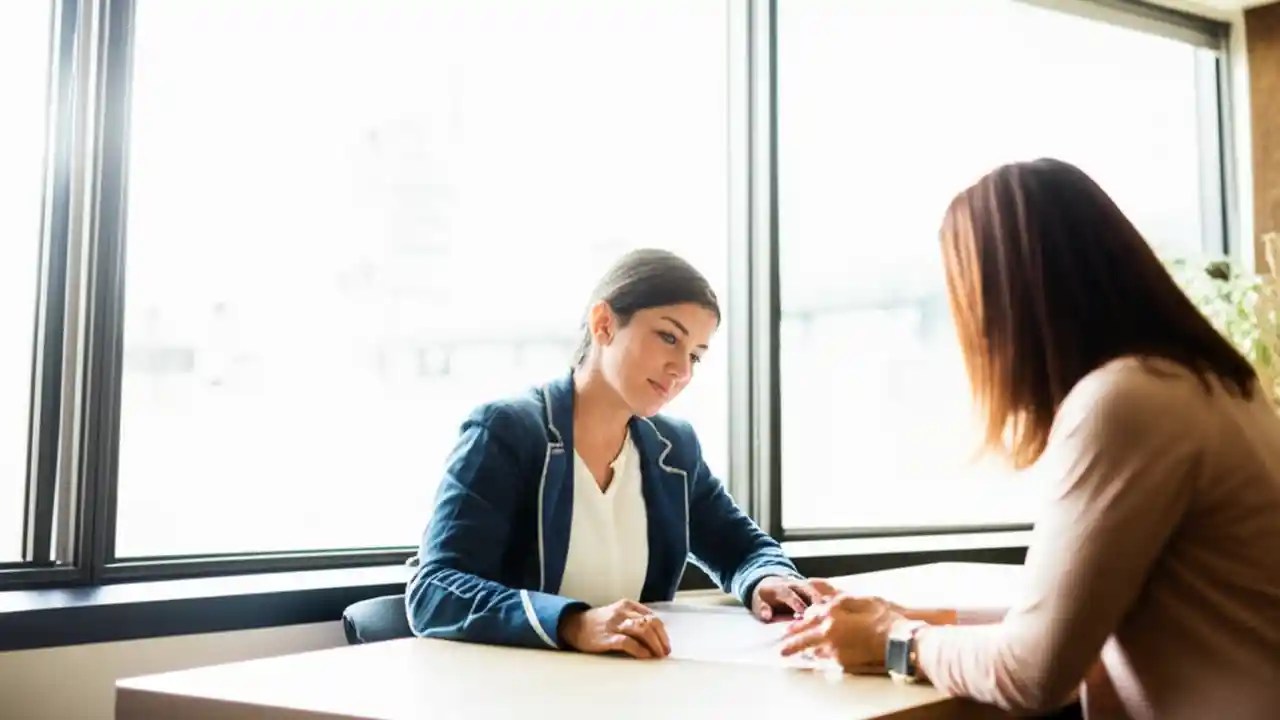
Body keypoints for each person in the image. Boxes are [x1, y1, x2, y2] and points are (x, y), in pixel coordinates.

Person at [781, 159, 1280, 718]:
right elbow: (1068, 625)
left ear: (1005, 298)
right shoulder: (1208, 386)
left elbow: (1032, 672)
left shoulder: (1127, 400)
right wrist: (903, 619)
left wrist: (897, 641)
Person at [407, 248, 825, 659]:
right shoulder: (506, 431)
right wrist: (573, 623)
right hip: (517, 694)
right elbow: (435, 590)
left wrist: (767, 578)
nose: (682, 370)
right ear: (604, 323)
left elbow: (740, 547)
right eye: (668, 337)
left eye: (696, 354)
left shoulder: (673, 449)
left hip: (631, 690)